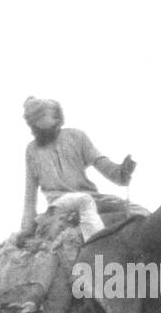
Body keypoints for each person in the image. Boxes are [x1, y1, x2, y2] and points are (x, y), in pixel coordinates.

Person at [16, 97, 137, 244]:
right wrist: (27, 229)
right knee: (84, 200)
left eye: (42, 116)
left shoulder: (76, 136)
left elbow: (100, 162)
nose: (37, 121)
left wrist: (122, 172)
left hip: (93, 199)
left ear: (56, 117)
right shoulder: (32, 151)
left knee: (137, 212)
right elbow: (30, 194)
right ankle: (96, 248)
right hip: (59, 206)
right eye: (35, 119)